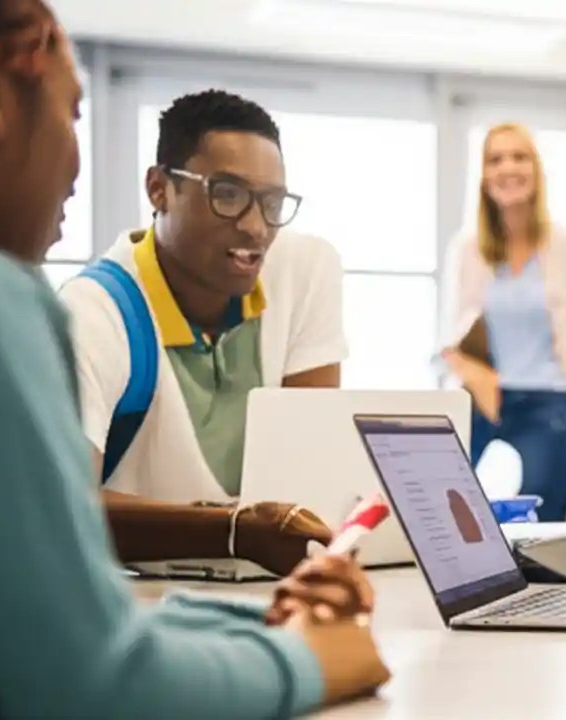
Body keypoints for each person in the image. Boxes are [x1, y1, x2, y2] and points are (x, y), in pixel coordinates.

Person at [0, 1, 387, 715]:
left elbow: (34, 626)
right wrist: (306, 657)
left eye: (270, 202)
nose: (73, 169)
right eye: (74, 115)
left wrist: (259, 623)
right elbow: (92, 684)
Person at [59, 89, 349, 576]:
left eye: (273, 202)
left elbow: (308, 479)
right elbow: (62, 504)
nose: (257, 228)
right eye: (228, 195)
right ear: (158, 189)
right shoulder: (93, 313)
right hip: (140, 598)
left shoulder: (304, 269)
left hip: (271, 589)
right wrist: (232, 531)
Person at [440, 123, 566, 523]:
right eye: (495, 159)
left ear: (537, 170)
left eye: (519, 156)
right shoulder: (467, 248)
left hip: (549, 400)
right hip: (484, 396)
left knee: (542, 527)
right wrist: (475, 374)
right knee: (446, 509)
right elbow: (451, 335)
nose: (507, 167)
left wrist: (559, 371)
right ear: (482, 175)